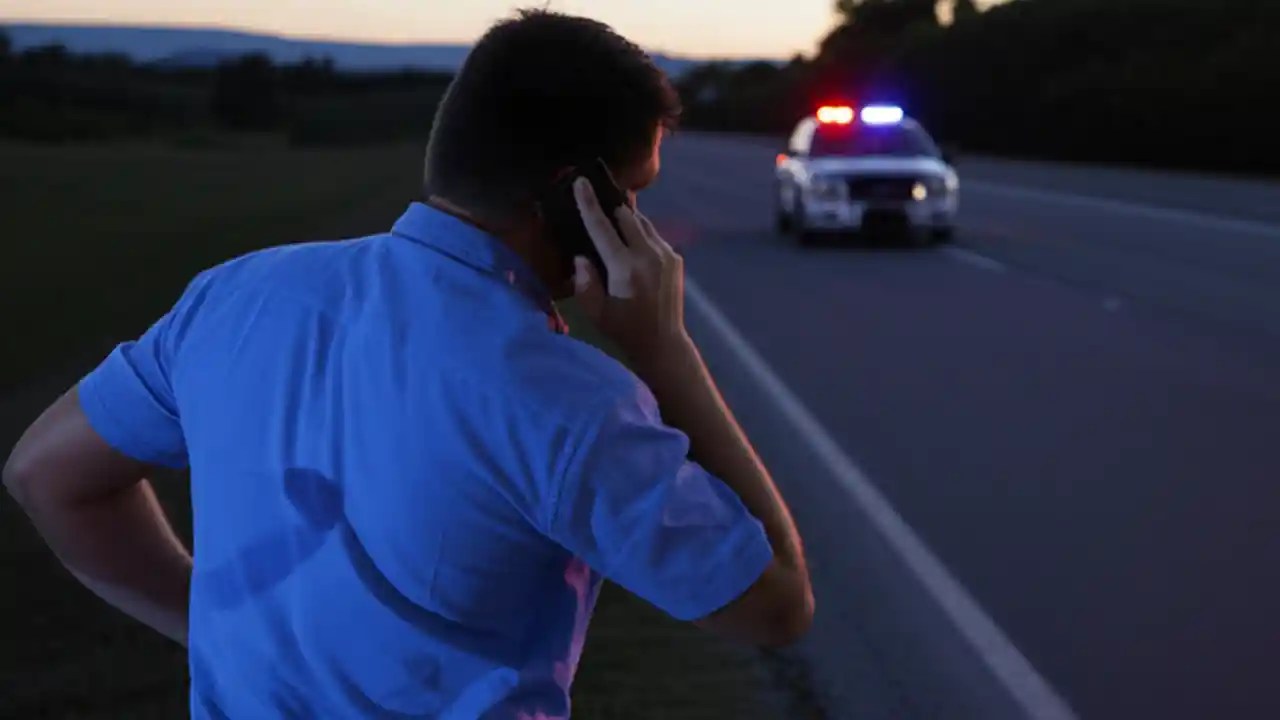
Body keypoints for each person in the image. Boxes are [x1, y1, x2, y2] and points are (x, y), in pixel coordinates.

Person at [3, 9, 813, 719]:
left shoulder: (238, 297)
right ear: (578, 199)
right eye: (631, 195)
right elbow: (773, 605)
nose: (640, 225)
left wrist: (215, 626)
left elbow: (48, 474)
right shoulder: (569, 403)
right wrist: (662, 349)